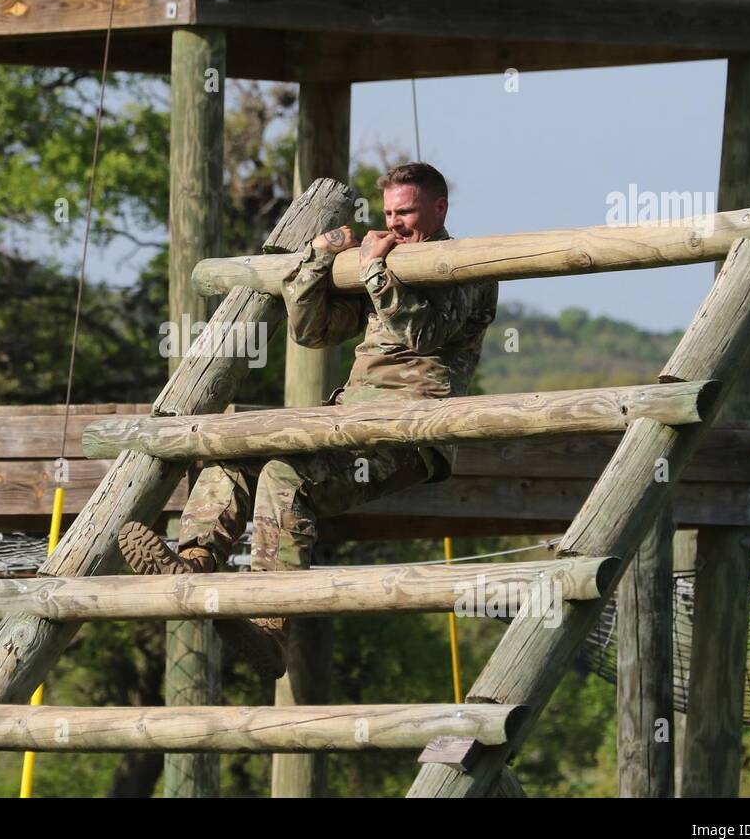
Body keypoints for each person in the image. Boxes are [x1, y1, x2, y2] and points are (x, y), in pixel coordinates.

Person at [118, 162, 499, 675]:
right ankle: (195, 563)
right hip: (348, 423)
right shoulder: (388, 261)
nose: (395, 222)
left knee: (283, 475)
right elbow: (312, 330)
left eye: (405, 212)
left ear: (439, 208)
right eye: (388, 212)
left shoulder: (464, 264)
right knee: (235, 456)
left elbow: (421, 334)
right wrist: (318, 260)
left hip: (410, 435)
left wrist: (373, 269)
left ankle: (272, 625)